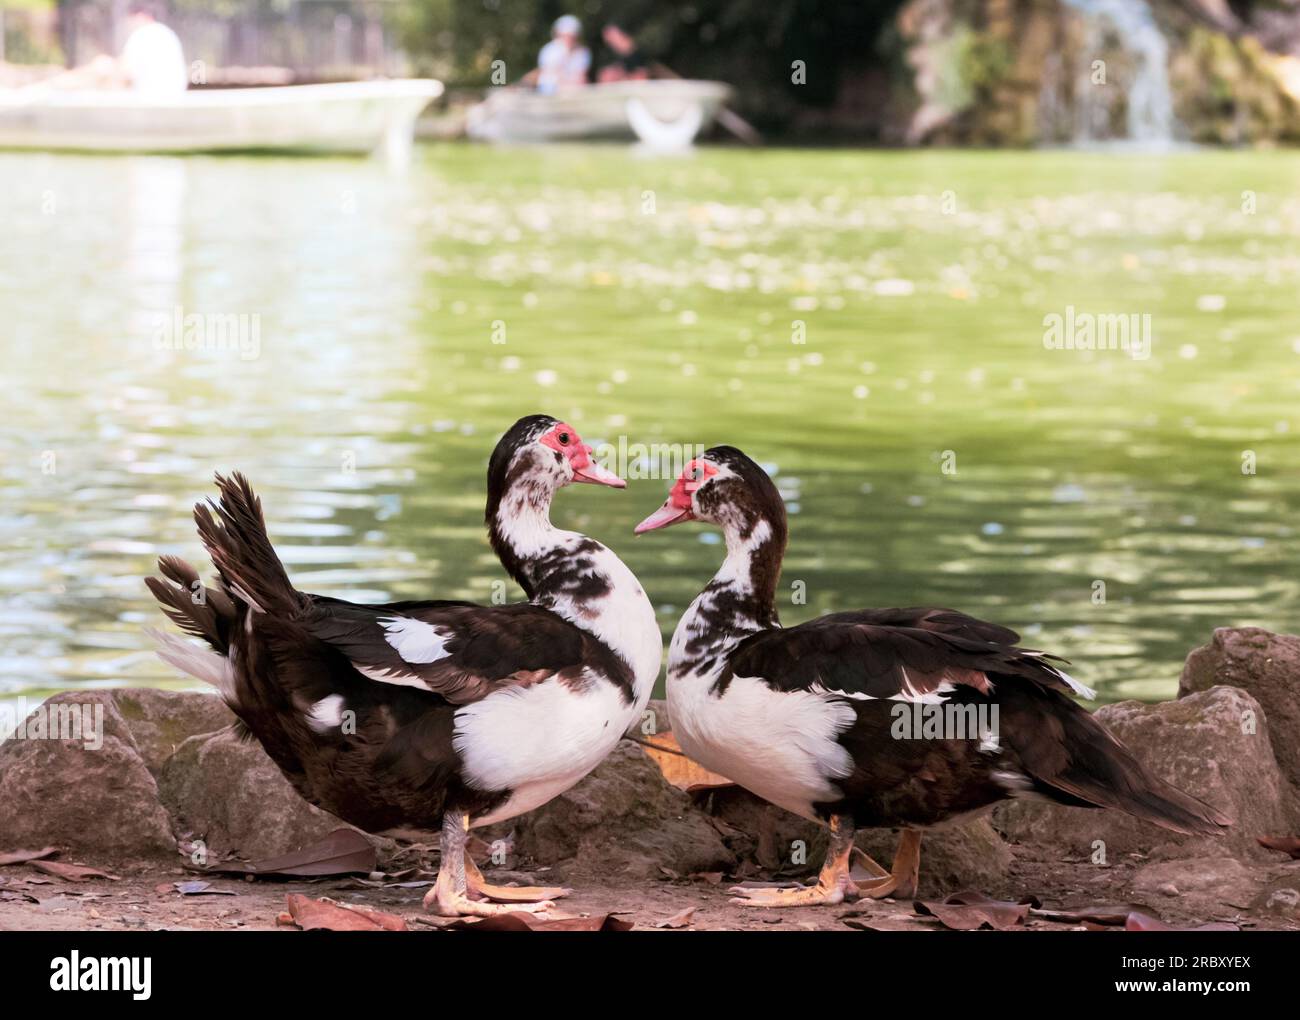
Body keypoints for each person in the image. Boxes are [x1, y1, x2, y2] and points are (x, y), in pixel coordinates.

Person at [118, 2, 188, 94]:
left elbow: (125, 72)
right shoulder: (168, 33)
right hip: (176, 96)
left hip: (150, 97)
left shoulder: (140, 35)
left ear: (140, 15)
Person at [533, 15, 590, 93]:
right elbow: (551, 74)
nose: (569, 39)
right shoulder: (549, 50)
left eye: (572, 36)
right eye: (565, 35)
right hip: (550, 88)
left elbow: (581, 75)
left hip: (573, 87)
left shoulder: (583, 52)